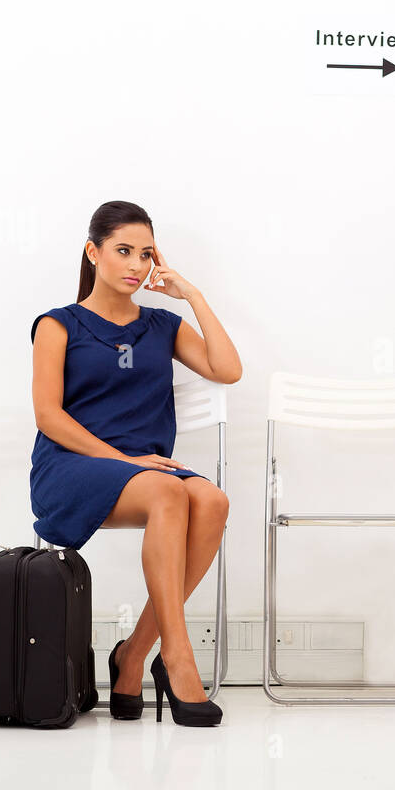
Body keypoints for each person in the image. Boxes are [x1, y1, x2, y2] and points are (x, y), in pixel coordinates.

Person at [30, 200, 242, 726]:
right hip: (72, 466)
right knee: (169, 490)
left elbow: (228, 370)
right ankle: (178, 657)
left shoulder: (161, 326)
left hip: (145, 471)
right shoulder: (58, 325)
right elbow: (48, 416)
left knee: (212, 500)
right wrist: (124, 460)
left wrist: (192, 295)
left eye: (146, 254)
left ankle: (133, 656)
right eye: (123, 251)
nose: (136, 265)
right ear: (93, 252)